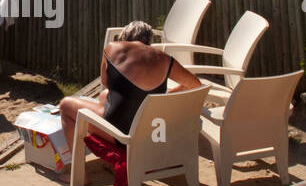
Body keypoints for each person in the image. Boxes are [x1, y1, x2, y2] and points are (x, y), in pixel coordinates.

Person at [59, 21, 202, 147]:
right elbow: (195, 84)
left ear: (125, 37)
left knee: (66, 104)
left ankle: (76, 173)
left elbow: (105, 82)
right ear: (149, 39)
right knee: (104, 96)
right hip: (151, 132)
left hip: (121, 133)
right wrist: (165, 96)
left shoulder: (112, 48)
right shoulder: (165, 59)